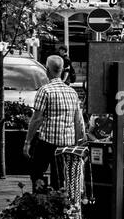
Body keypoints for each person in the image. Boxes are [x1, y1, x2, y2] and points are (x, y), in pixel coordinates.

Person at [24, 55, 86, 189]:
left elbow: (37, 119)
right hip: (67, 143)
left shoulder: (45, 90)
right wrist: (78, 142)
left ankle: (41, 198)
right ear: (62, 70)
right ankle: (60, 201)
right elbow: (78, 121)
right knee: (60, 176)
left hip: (48, 141)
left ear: (47, 70)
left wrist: (28, 141)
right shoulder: (72, 92)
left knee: (36, 171)